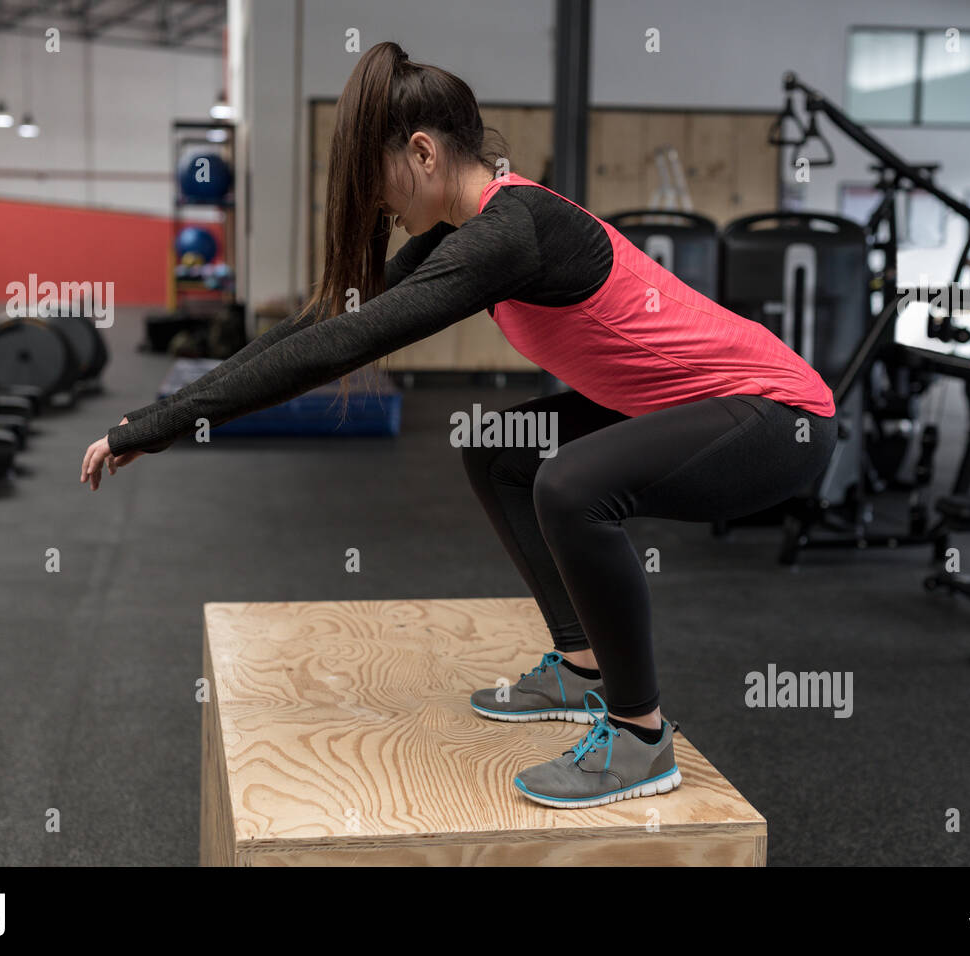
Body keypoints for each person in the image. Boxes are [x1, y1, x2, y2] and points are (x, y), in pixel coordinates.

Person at [81, 41, 837, 810]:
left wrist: (166, 424)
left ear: (423, 150)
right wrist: (155, 418)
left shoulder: (511, 232)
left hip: (781, 416)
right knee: (497, 451)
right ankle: (581, 669)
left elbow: (347, 344)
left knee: (569, 484)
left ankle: (642, 739)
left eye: (380, 187)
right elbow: (321, 323)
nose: (381, 207)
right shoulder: (466, 234)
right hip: (686, 403)